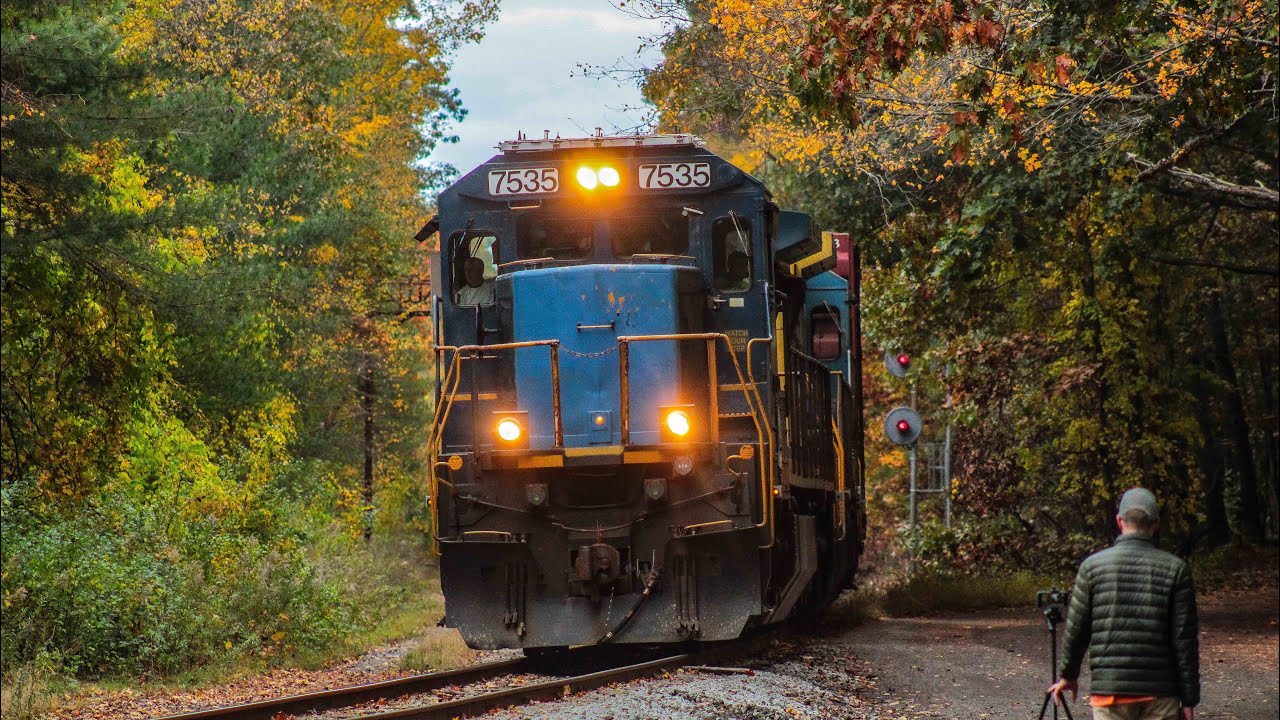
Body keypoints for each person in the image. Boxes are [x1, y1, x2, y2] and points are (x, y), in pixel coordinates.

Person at [1049, 487, 1200, 720]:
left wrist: (1068, 675)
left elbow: (1077, 628)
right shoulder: (1175, 569)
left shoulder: (1092, 568)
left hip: (1110, 692)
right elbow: (1184, 640)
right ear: (1156, 524)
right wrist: (1189, 699)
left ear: (1119, 521)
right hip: (1160, 693)